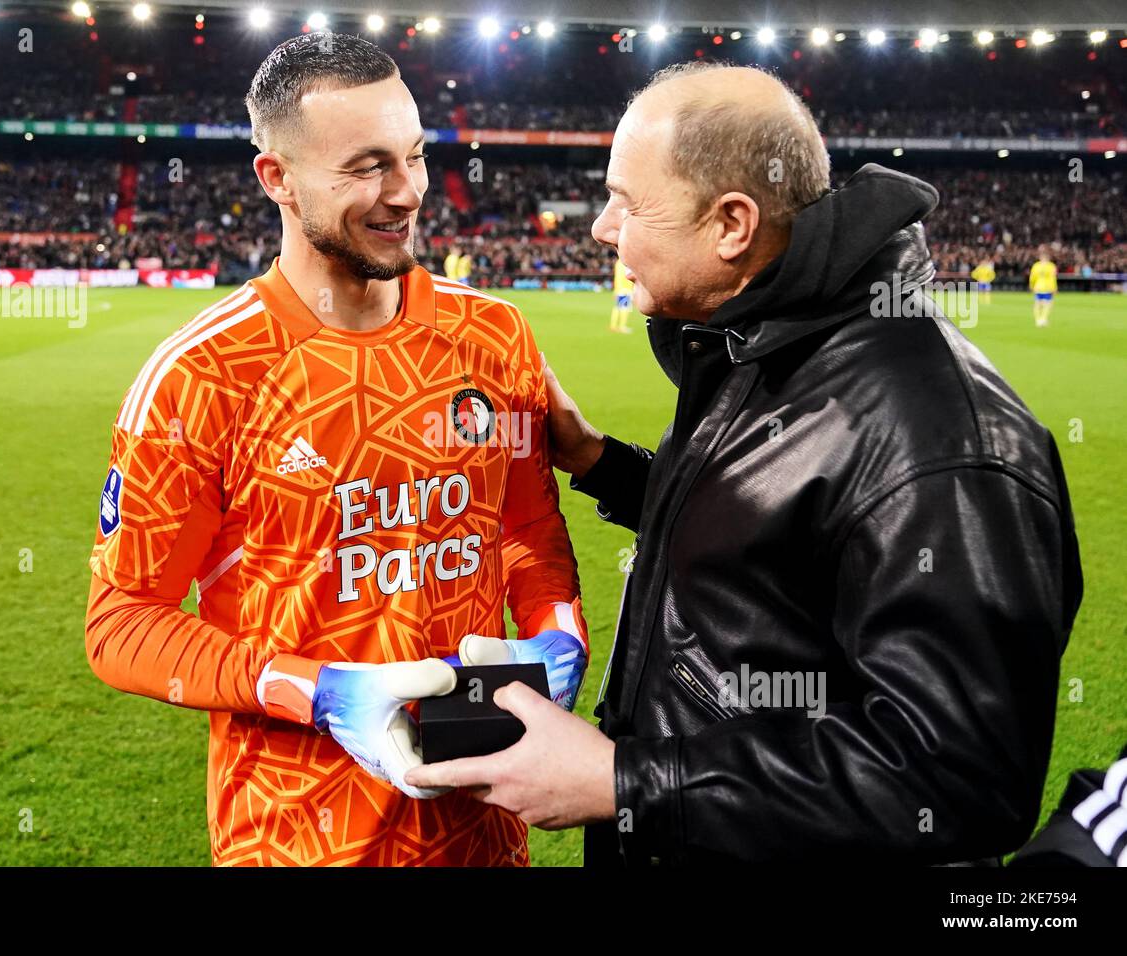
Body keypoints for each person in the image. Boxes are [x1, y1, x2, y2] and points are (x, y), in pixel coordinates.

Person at [407, 61, 1082, 866]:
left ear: (732, 224)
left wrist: (626, 781)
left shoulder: (945, 443)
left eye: (627, 201)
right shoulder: (763, 338)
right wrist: (599, 463)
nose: (602, 228)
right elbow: (771, 529)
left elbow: (956, 774)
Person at [84, 33, 588, 867]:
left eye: (416, 157)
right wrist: (316, 693)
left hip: (485, 833)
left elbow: (524, 529)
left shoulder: (493, 335)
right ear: (276, 178)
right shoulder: (202, 377)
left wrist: (557, 630)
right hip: (291, 837)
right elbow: (121, 625)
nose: (408, 193)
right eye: (366, 167)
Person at [1030, 246, 1058, 326]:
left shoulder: (1036, 266)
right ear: (1048, 258)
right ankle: (1043, 319)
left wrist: (1032, 285)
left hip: (1038, 287)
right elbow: (1053, 278)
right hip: (1047, 287)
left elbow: (1032, 277)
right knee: (1048, 304)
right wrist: (1055, 288)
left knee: (1037, 304)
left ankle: (1037, 320)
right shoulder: (1051, 266)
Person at [609, 254, 634, 333]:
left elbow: (617, 278)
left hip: (621, 289)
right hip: (625, 289)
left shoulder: (619, 263)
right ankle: (622, 326)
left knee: (618, 307)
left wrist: (616, 290)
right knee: (624, 308)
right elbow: (623, 277)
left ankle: (613, 326)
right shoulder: (624, 264)